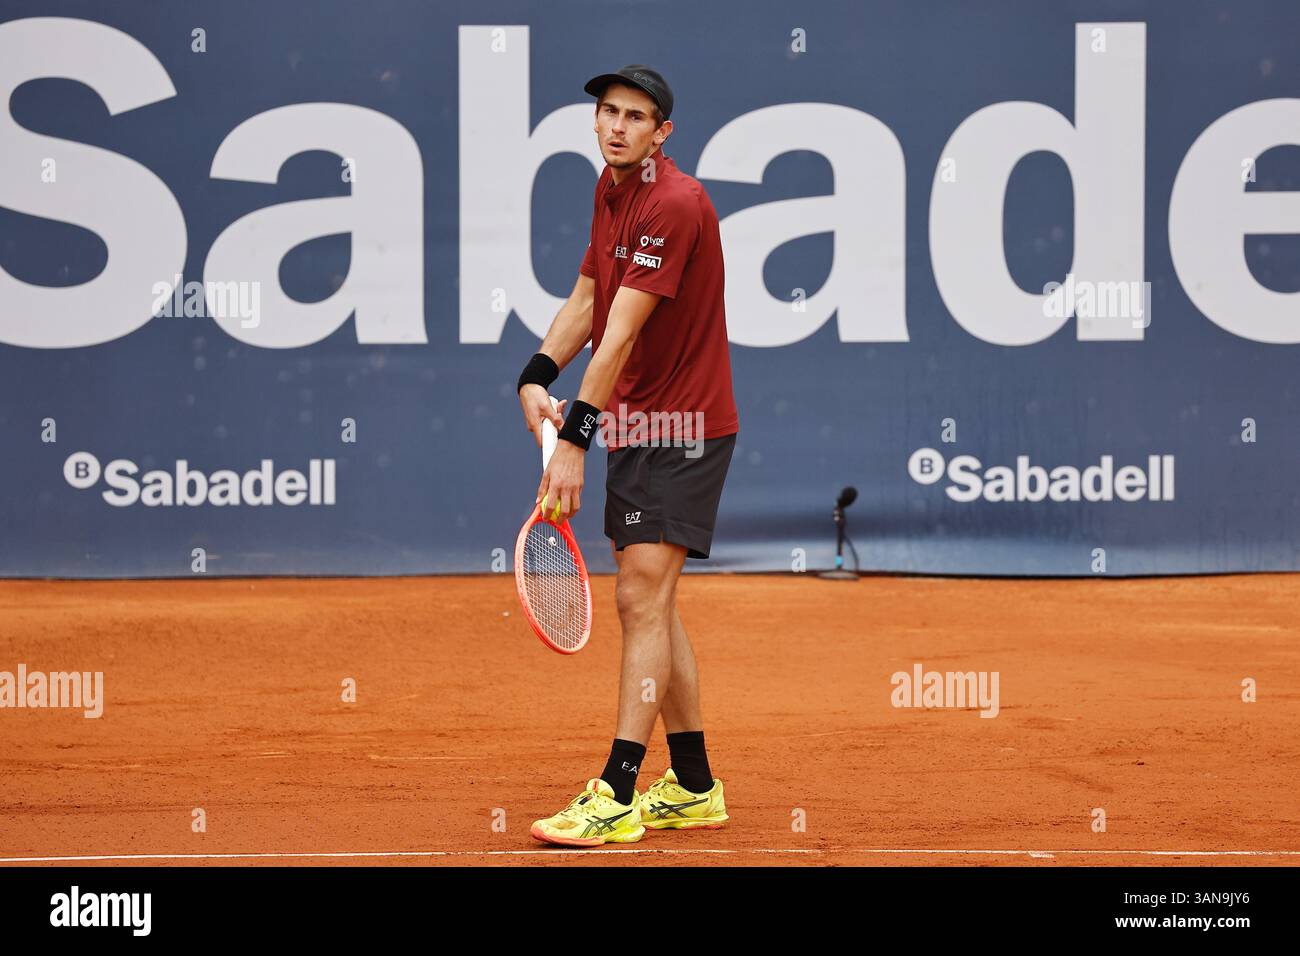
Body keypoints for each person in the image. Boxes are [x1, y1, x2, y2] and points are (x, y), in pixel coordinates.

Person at [515, 64, 740, 846]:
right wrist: (538, 373)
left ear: (662, 132)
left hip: (684, 425)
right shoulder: (611, 188)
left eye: (635, 117)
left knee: (639, 598)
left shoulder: (673, 203)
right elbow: (588, 297)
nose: (616, 126)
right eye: (607, 112)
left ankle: (615, 792)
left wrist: (572, 440)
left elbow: (621, 334)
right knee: (652, 598)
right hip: (641, 421)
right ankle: (695, 784)